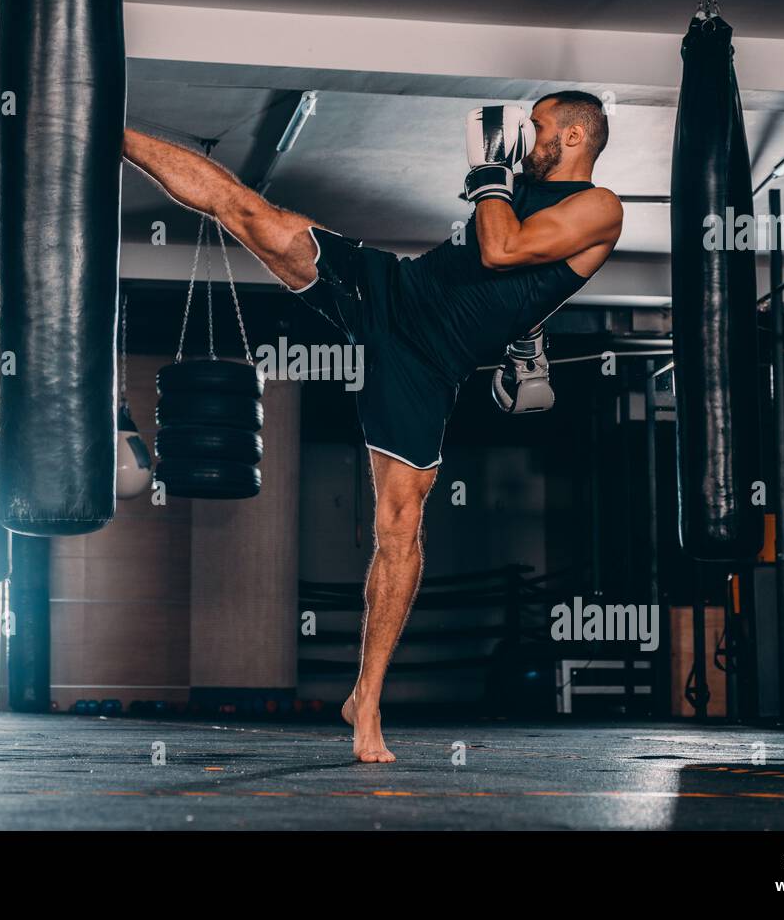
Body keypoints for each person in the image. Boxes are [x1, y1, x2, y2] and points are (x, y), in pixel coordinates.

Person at [123, 92, 623, 762]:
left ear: (570, 136)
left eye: (536, 127)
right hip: (392, 288)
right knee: (250, 213)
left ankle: (367, 699)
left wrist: (487, 176)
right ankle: (110, 128)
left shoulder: (601, 207)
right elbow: (509, 276)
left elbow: (503, 252)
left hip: (427, 366)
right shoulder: (519, 190)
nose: (523, 137)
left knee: (400, 524)